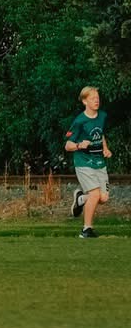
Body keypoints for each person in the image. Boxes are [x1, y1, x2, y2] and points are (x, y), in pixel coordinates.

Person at [64, 86, 110, 239]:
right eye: (92, 98)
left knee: (103, 198)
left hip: (99, 162)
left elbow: (100, 134)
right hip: (83, 162)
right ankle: (86, 230)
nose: (96, 100)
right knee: (95, 194)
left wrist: (105, 148)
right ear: (85, 101)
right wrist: (78, 145)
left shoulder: (102, 116)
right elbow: (67, 145)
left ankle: (81, 199)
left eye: (97, 98)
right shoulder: (79, 121)